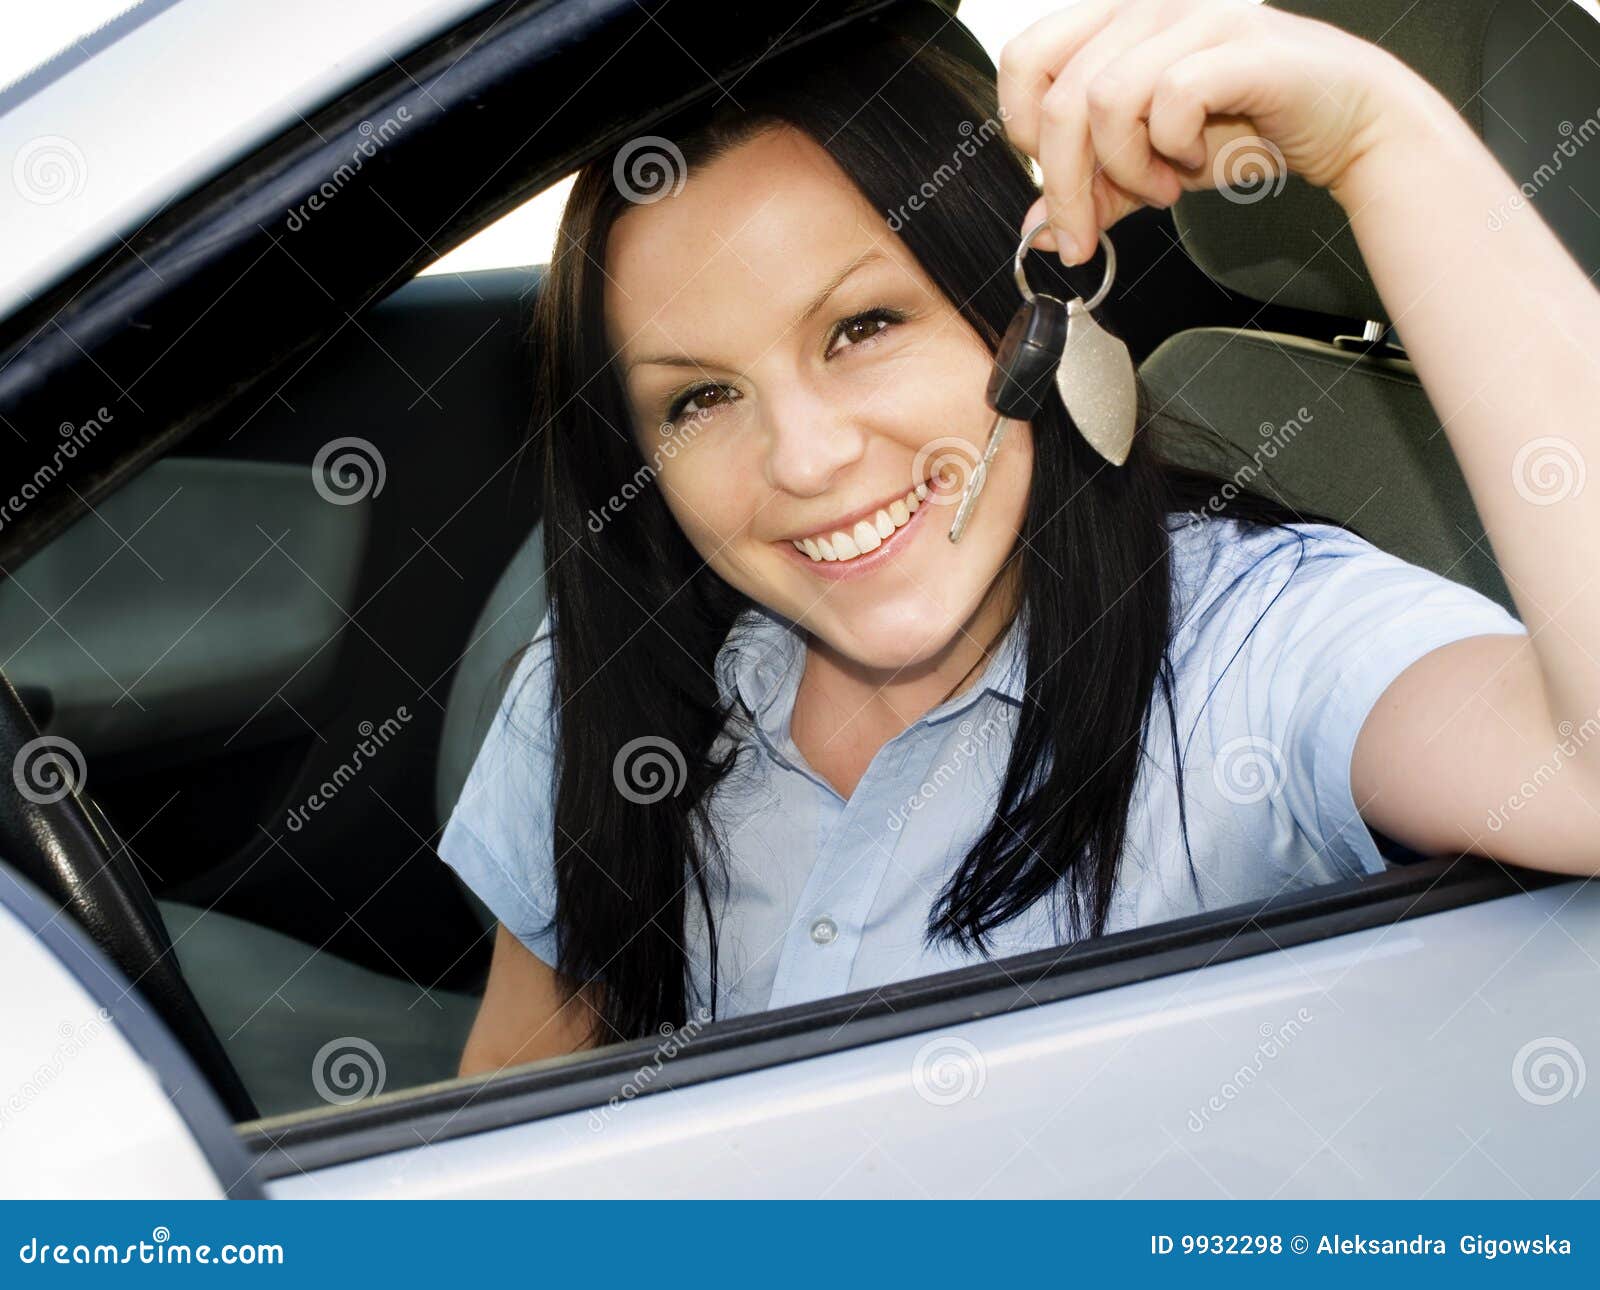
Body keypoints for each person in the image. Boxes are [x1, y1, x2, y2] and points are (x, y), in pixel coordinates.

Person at [441, 0, 1600, 1078]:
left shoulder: (1255, 651)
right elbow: (491, 1177)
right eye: (697, 400)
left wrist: (1379, 141)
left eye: (862, 326)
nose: (802, 460)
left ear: (1030, 322)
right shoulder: (600, 690)